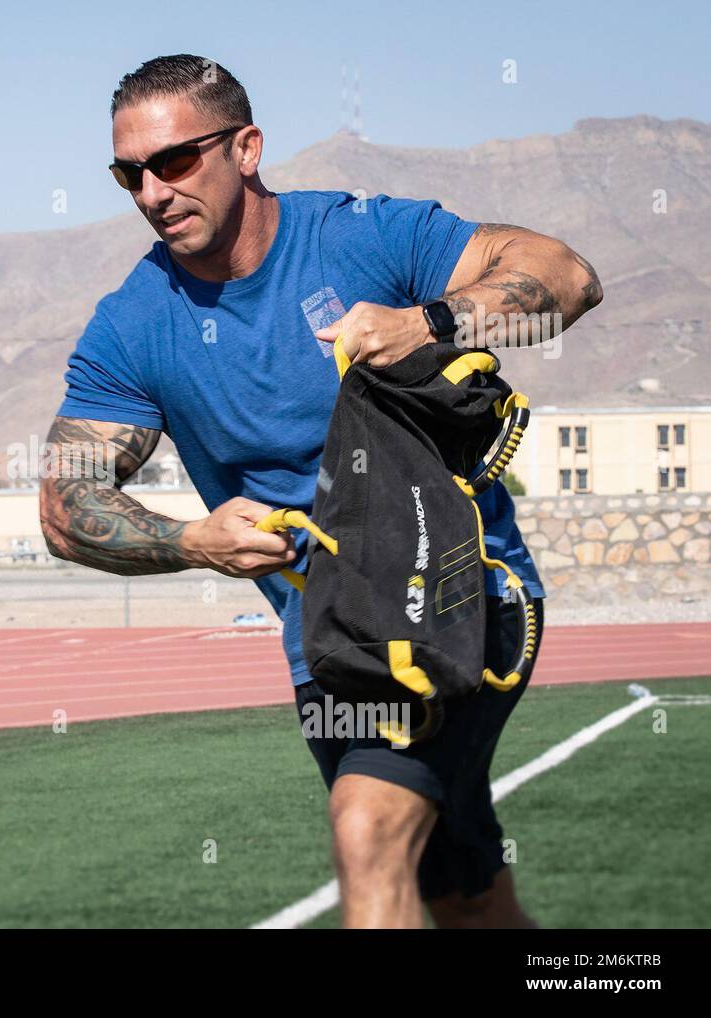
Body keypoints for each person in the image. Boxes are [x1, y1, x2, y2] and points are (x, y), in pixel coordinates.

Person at [39, 55, 602, 927]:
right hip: (329, 639)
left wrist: (427, 322)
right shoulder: (132, 323)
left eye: (176, 161)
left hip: (459, 593)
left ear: (247, 147)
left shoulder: (359, 237)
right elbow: (64, 505)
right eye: (130, 174)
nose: (152, 192)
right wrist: (193, 542)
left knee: (367, 833)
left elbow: (567, 279)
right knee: (464, 895)